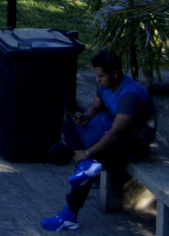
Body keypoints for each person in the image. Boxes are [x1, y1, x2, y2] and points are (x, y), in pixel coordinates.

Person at [40, 50, 158, 232]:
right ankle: (84, 162)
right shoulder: (104, 85)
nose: (97, 80)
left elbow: (116, 133)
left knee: (92, 160)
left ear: (115, 74)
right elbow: (95, 109)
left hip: (133, 144)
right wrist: (83, 117)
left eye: (101, 76)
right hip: (111, 129)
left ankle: (70, 214)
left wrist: (88, 152)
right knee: (69, 126)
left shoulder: (130, 96)